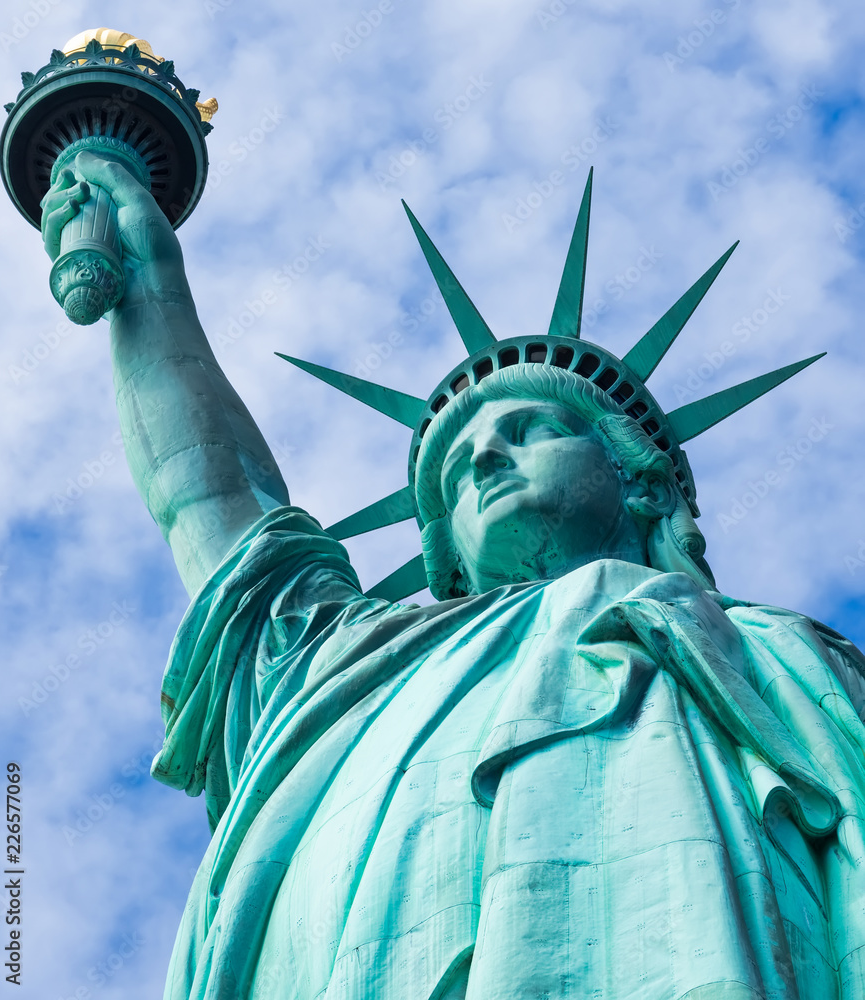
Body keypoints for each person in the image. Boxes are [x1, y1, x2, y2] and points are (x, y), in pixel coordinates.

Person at [42, 151, 865, 1000]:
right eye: (456, 469)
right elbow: (206, 497)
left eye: (531, 427)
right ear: (450, 557)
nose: (486, 457)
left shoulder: (786, 661)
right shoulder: (355, 663)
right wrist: (148, 281)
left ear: (642, 480)